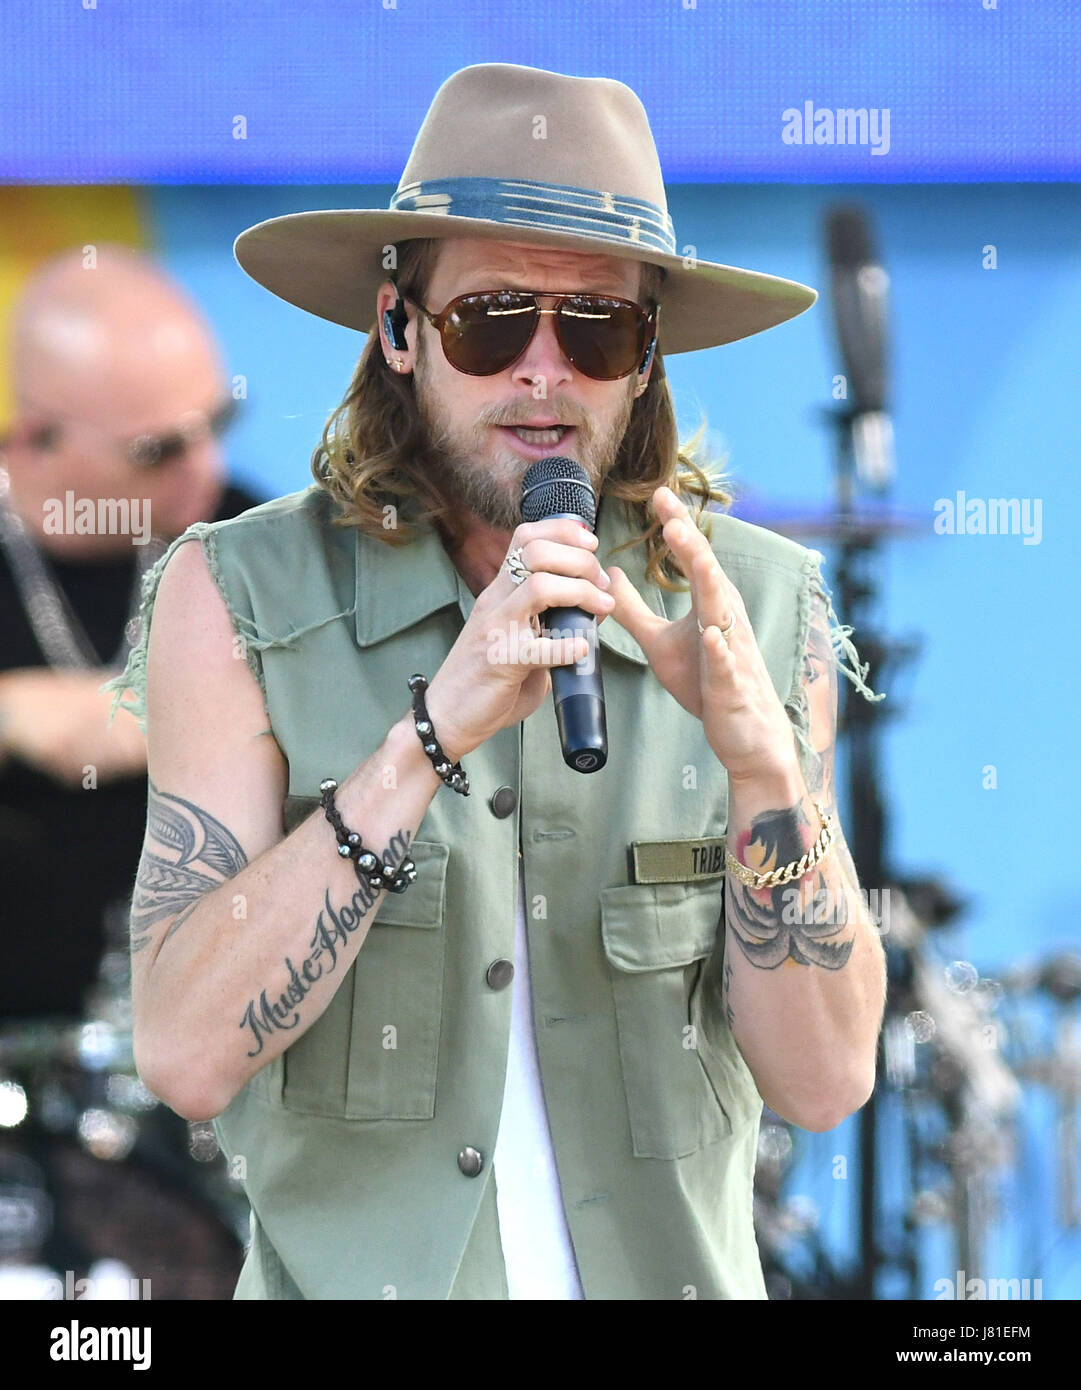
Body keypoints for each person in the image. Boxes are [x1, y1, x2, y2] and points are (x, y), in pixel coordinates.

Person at [109, 63, 887, 1300]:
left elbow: (828, 1080)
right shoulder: (238, 595)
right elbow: (187, 1054)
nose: (541, 369)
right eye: (489, 320)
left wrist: (762, 771)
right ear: (400, 330)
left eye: (595, 327)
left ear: (643, 358)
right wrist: (421, 742)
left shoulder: (759, 603)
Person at [0, 243, 263, 1020]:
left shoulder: (247, 534)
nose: (206, 468)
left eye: (218, 423)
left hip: (202, 1029)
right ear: (34, 440)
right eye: (158, 449)